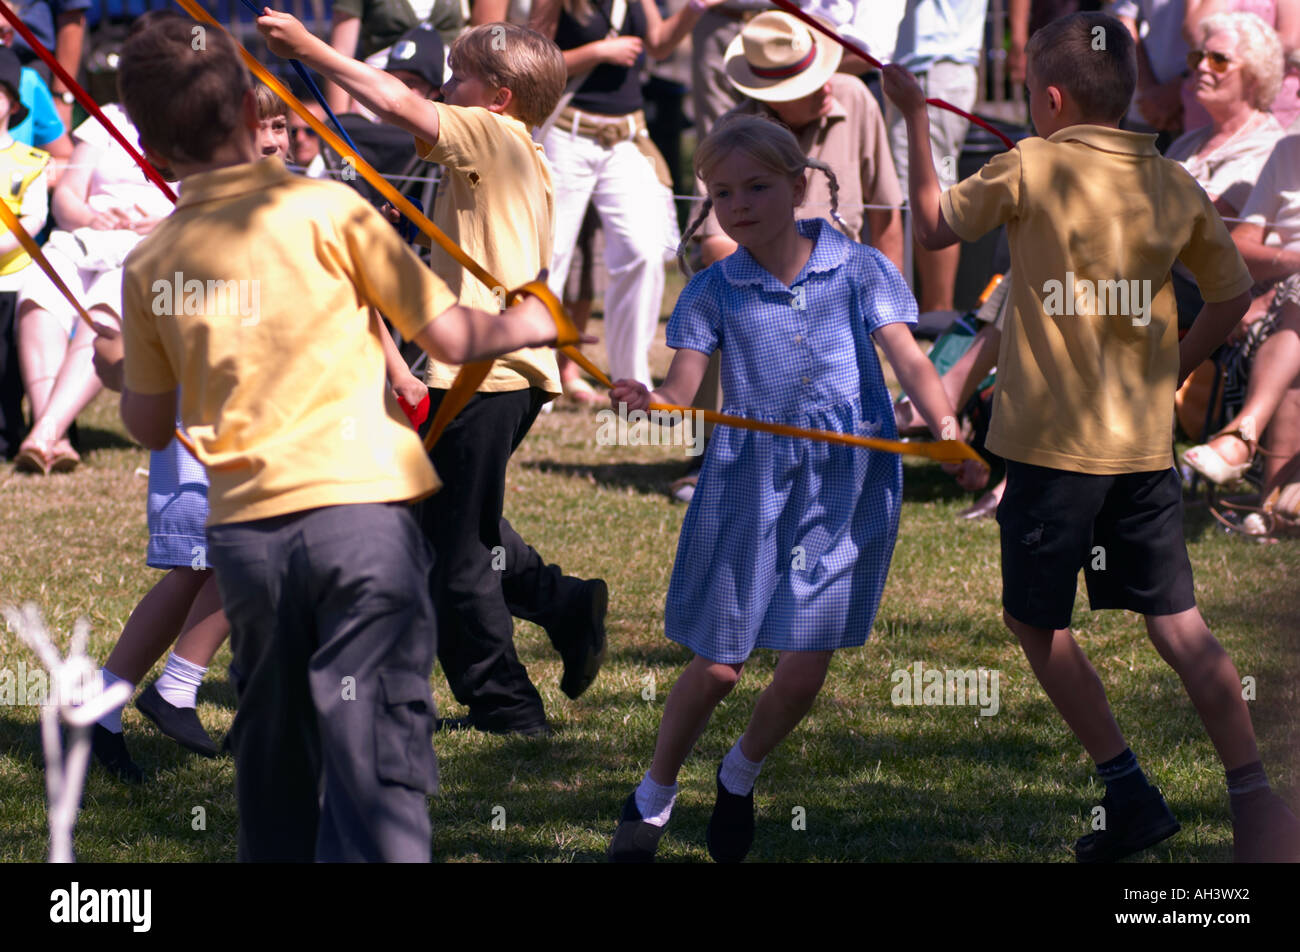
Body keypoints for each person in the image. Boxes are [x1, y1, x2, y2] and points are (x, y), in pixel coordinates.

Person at [113, 13, 571, 862]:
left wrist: (121, 362)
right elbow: (457, 339)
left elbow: (146, 424)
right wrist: (534, 323)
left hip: (249, 537)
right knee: (378, 748)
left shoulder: (151, 262)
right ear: (258, 117)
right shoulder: (329, 208)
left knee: (276, 731)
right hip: (365, 522)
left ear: (147, 140)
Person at [884, 10, 1300, 861]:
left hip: (1051, 455)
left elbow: (930, 228)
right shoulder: (1169, 178)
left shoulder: (1030, 164)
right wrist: (1173, 361)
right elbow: (1224, 297)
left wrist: (915, 115)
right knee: (1181, 628)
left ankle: (1127, 789)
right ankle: (1256, 799)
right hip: (1143, 450)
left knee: (1034, 623)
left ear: (1048, 97)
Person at [605, 114, 986, 863]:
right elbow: (683, 394)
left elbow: (907, 357)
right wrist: (647, 402)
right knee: (718, 665)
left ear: (798, 183)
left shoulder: (858, 267)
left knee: (805, 664)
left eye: (756, 187)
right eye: (722, 193)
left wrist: (943, 419)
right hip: (748, 483)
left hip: (844, 485)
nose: (739, 204)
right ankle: (653, 793)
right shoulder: (712, 290)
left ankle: (739, 771)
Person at [258, 12, 610, 736]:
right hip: (495, 368)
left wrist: (312, 51)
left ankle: (507, 707)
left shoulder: (491, 133)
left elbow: (394, 100)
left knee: (451, 557)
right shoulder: (510, 144)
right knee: (445, 517)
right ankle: (564, 603)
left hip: (487, 370)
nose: (446, 86)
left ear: (499, 97)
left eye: (459, 75)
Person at [83, 85, 301, 782]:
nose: (272, 140)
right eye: (254, 129)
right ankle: (173, 689)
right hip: (208, 433)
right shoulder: (187, 236)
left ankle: (107, 707)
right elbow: (125, 342)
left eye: (280, 126)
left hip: (260, 420)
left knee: (209, 570)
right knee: (235, 560)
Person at [530, 0, 730, 388]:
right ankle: (535, 377)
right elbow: (532, 63)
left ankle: (631, 382)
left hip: (627, 135)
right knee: (548, 256)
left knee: (644, 251)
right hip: (565, 134)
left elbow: (658, 45)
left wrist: (694, 8)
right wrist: (599, 52)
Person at [13, 97, 169, 474]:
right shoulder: (108, 118)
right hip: (86, 236)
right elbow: (67, 195)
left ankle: (44, 433)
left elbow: (204, 204)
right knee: (39, 291)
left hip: (153, 246)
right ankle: (56, 436)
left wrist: (160, 224)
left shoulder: (196, 118)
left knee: (107, 307)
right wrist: (91, 216)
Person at [883, 0, 989, 314]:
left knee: (935, 200)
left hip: (934, 71)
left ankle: (936, 320)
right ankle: (934, 317)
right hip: (931, 70)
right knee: (930, 196)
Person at [0, 45, 49, 460]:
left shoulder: (30, 161)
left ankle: (19, 434)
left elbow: (34, 217)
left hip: (15, 280)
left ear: (13, 103)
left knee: (12, 367)